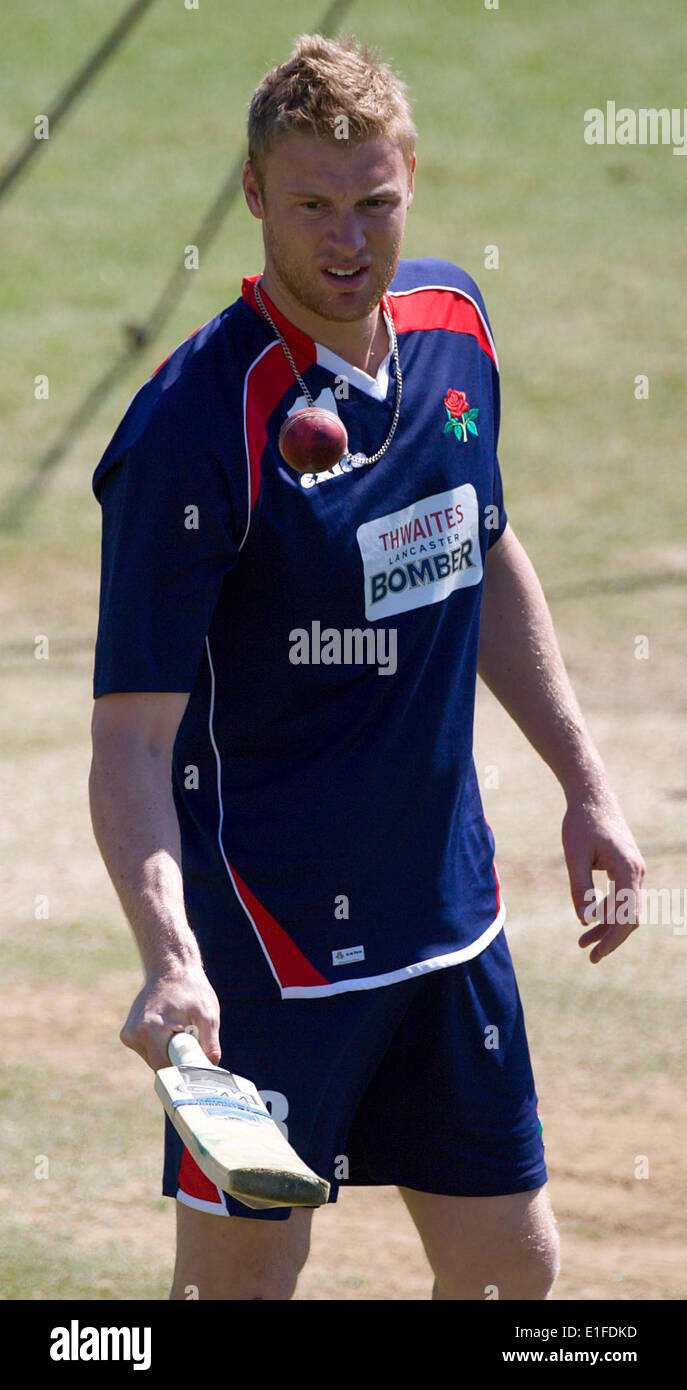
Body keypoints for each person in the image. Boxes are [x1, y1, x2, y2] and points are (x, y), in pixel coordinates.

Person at [89, 33, 645, 1301]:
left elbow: (483, 548)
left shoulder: (454, 326)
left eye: (375, 203)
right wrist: (172, 954)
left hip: (450, 918)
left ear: (412, 185)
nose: (348, 239)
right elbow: (129, 739)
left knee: (514, 1271)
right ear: (253, 197)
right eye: (313, 206)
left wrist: (585, 781)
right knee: (234, 1287)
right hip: (268, 949)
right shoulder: (191, 430)